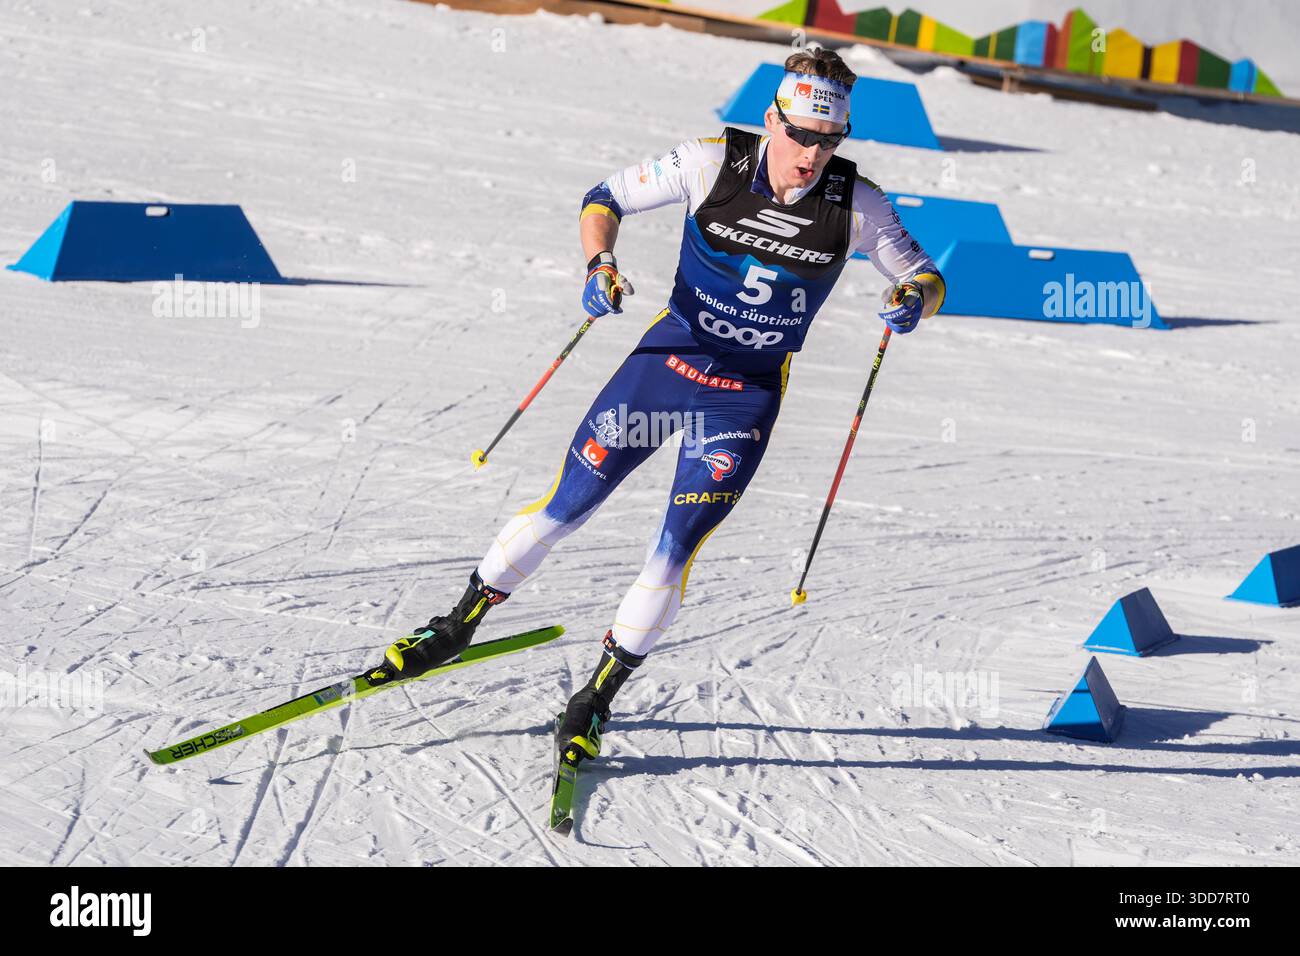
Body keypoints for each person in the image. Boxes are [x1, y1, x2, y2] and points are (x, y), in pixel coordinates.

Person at [372, 47, 945, 767]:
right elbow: (603, 198)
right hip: (663, 369)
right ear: (772, 119)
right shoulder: (709, 164)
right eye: (802, 135)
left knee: (672, 552)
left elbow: (923, 274)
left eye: (831, 141)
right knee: (564, 508)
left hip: (743, 399)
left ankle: (593, 703)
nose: (813, 154)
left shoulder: (855, 204)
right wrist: (600, 266)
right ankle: (456, 628)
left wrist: (910, 301)